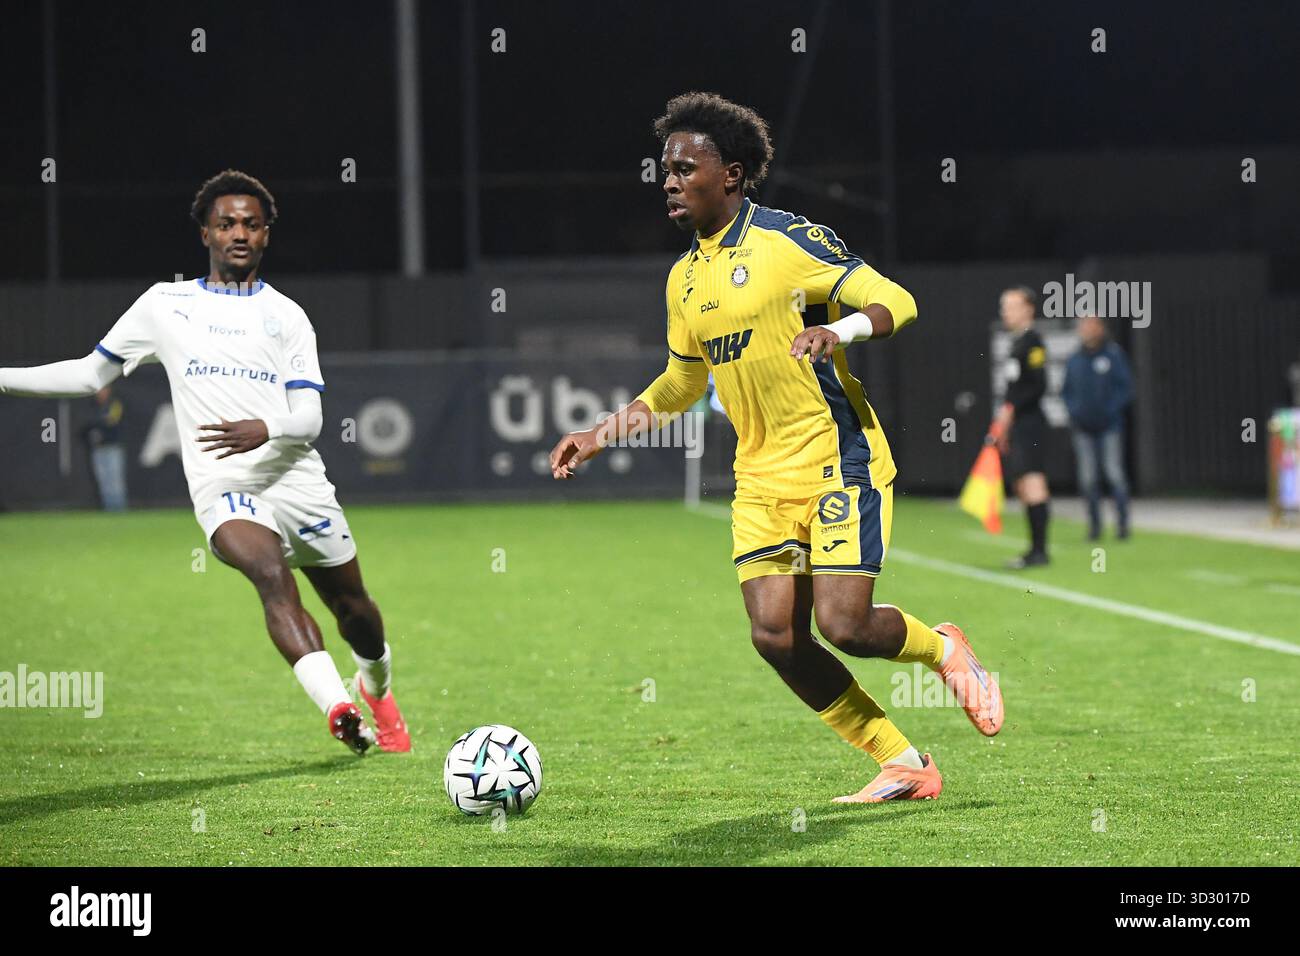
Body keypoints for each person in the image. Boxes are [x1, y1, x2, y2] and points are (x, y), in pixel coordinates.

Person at [549, 93, 1003, 803]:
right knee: (776, 638)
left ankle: (943, 649)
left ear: (730, 175)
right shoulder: (684, 278)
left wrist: (841, 331)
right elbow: (679, 383)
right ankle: (904, 761)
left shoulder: (789, 242)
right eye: (663, 169)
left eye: (684, 167)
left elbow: (896, 299)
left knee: (843, 625)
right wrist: (599, 434)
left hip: (835, 458)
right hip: (760, 479)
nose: (668, 181)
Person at [0, 170, 409, 755]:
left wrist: (264, 427)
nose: (238, 233)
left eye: (250, 223)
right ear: (205, 234)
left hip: (294, 479)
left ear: (266, 234)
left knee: (355, 613)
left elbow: (312, 419)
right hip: (223, 486)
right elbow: (91, 373)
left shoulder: (287, 317)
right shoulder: (165, 306)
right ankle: (337, 707)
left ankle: (376, 690)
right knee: (271, 578)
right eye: (226, 223)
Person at [994, 286, 1052, 568]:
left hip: (1029, 423)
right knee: (1021, 483)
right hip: (1018, 423)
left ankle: (1040, 551)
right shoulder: (1017, 342)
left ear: (1028, 309)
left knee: (1033, 481)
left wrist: (1010, 412)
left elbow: (1038, 386)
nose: (1005, 311)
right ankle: (1034, 550)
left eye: (1011, 305)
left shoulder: (1033, 342)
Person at [1062, 314, 1133, 539]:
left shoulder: (1113, 355)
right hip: (1083, 428)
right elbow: (1067, 391)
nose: (1087, 329)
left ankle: (1122, 525)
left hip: (1110, 426)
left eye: (1091, 325)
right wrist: (1075, 412)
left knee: (1114, 474)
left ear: (1101, 328)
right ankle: (1094, 527)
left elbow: (1126, 388)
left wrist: (1110, 411)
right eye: (1084, 325)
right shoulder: (1074, 359)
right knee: (1088, 479)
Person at [84, 386, 128, 511]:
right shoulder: (93, 406)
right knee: (103, 481)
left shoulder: (115, 404)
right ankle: (109, 509)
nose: (101, 393)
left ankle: (119, 509)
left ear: (108, 391)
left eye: (104, 390)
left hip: (113, 448)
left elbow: (112, 420)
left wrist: (97, 423)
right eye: (99, 391)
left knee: (115, 481)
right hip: (98, 449)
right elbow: (86, 422)